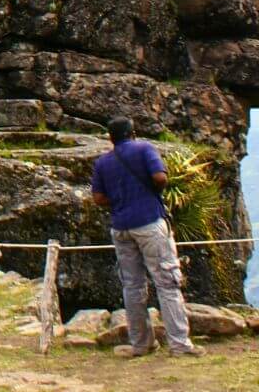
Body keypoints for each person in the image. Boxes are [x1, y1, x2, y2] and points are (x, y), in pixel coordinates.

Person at [90, 116, 204, 358]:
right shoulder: (144, 148)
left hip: (120, 227)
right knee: (167, 282)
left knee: (132, 286)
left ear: (110, 138)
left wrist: (120, 202)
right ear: (133, 132)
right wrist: (149, 194)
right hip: (149, 222)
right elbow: (160, 178)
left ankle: (141, 344)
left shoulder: (103, 162)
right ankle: (180, 344)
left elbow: (98, 198)